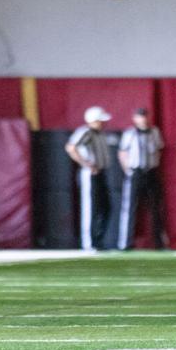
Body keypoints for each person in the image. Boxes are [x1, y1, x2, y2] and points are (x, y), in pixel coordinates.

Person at [65, 106, 113, 251]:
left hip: (101, 172)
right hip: (90, 173)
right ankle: (89, 243)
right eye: (100, 120)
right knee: (90, 207)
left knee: (105, 207)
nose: (103, 123)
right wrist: (86, 164)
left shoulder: (101, 134)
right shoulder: (86, 132)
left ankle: (98, 240)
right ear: (93, 120)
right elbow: (71, 147)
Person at [117, 107, 166, 251]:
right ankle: (126, 243)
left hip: (150, 171)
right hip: (135, 172)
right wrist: (128, 170)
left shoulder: (154, 132)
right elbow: (122, 153)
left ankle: (158, 242)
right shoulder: (130, 133)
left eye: (144, 116)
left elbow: (159, 149)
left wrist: (154, 164)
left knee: (155, 207)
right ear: (134, 118)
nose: (142, 119)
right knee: (130, 207)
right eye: (139, 116)